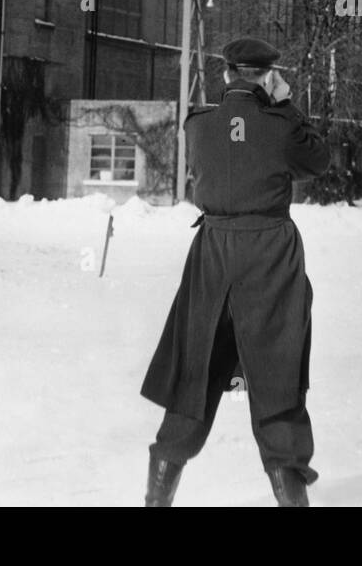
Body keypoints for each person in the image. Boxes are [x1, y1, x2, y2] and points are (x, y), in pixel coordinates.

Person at [140, 36, 330, 507]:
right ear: (268, 77)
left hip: (212, 260)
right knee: (277, 381)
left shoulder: (198, 125)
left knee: (194, 376)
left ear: (226, 75)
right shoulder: (279, 126)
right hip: (270, 259)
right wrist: (285, 107)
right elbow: (319, 160)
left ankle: (155, 500)